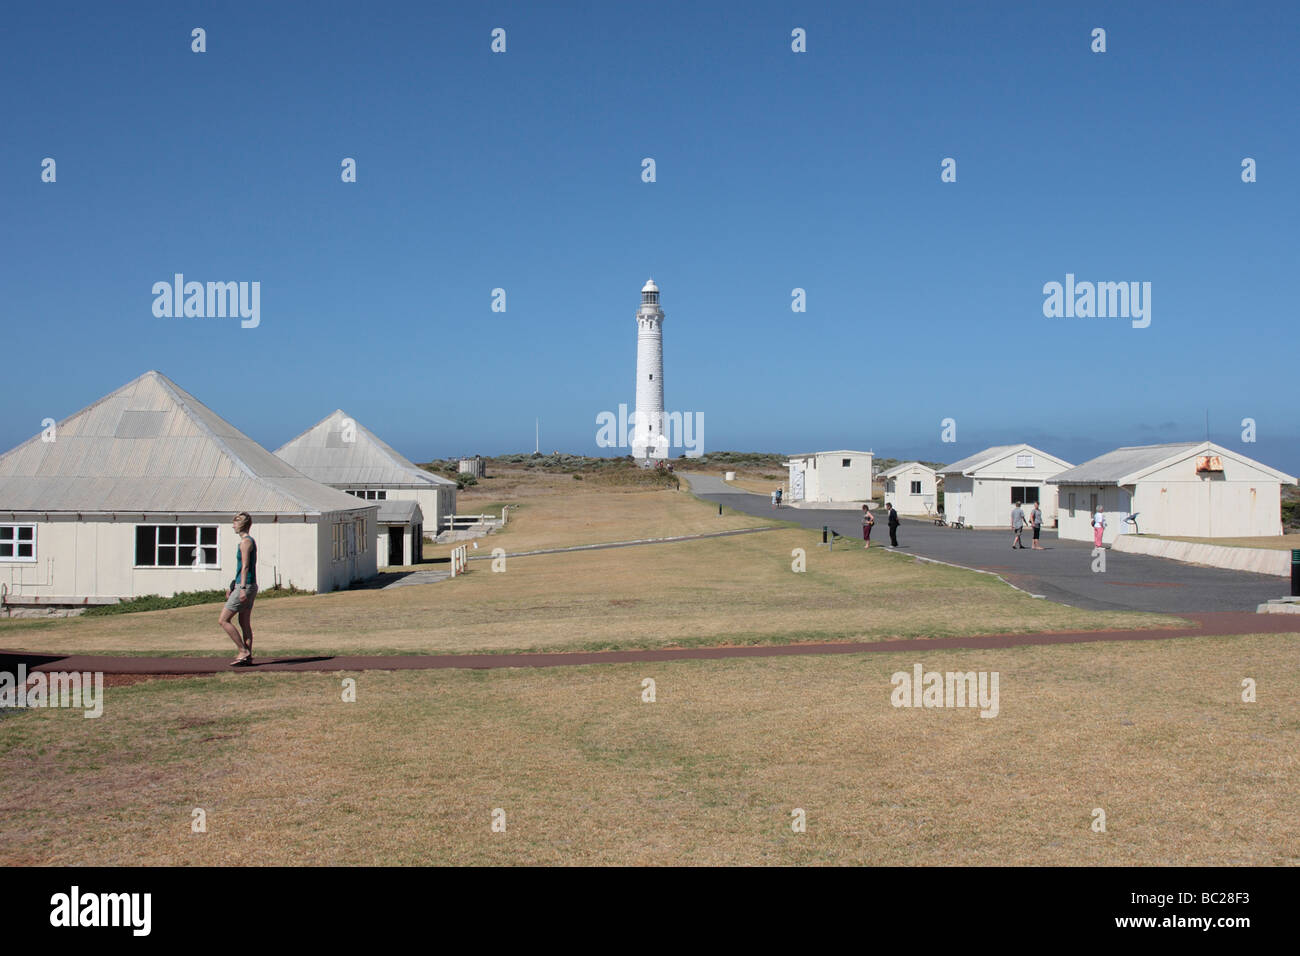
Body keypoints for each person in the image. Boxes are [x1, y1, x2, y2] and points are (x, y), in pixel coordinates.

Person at [219, 511, 258, 666]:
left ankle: (243, 650)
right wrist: (233, 585)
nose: (233, 526)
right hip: (246, 585)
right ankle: (247, 657)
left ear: (241, 524)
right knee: (244, 622)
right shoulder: (247, 541)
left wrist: (241, 588)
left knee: (223, 620)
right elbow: (241, 567)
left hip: (246, 585)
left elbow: (245, 566)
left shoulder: (245, 542)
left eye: (235, 522)